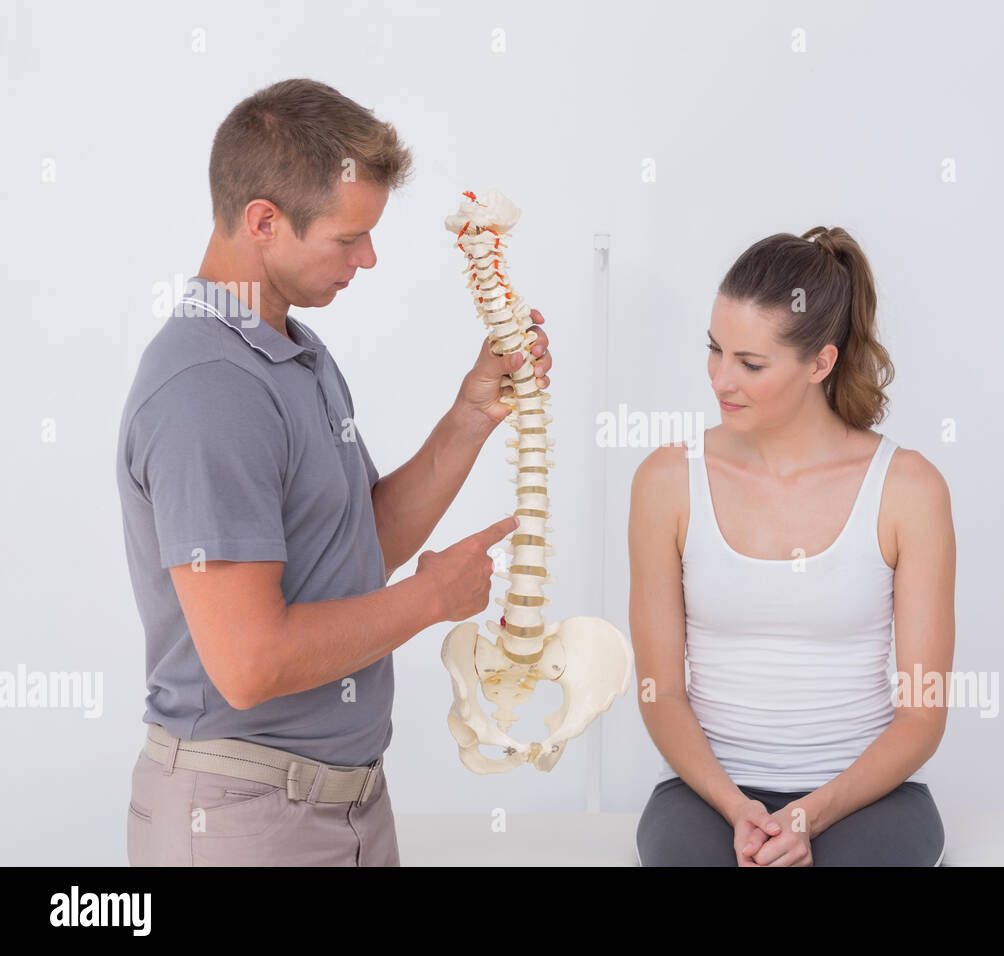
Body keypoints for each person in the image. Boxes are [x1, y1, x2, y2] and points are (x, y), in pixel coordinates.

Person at [116, 78, 553, 866]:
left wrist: (471, 416)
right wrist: (430, 599)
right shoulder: (209, 390)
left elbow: (353, 552)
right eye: (349, 239)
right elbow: (251, 664)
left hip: (342, 806)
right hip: (244, 818)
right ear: (263, 223)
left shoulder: (295, 354)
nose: (370, 258)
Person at [630, 227, 954, 866]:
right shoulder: (667, 480)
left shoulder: (909, 488)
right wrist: (737, 808)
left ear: (820, 364)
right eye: (715, 350)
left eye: (750, 364)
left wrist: (809, 814)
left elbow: (922, 714)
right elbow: (661, 691)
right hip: (709, 795)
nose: (722, 379)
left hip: (865, 797)